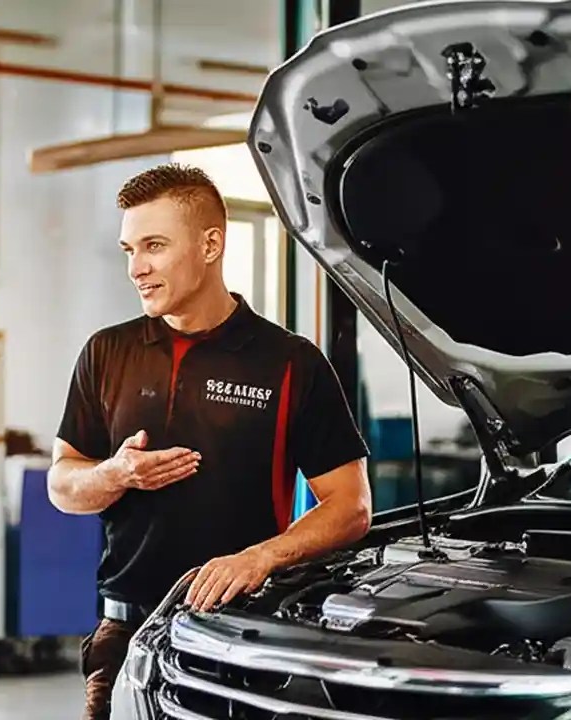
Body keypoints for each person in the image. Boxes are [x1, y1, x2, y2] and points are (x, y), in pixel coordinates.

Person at [49, 163, 374, 719]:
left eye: (153, 246)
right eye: (129, 249)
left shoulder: (291, 362)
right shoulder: (107, 352)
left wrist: (260, 557)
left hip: (242, 630)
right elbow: (64, 483)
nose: (137, 268)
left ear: (211, 244)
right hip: (122, 633)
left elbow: (351, 507)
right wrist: (114, 474)